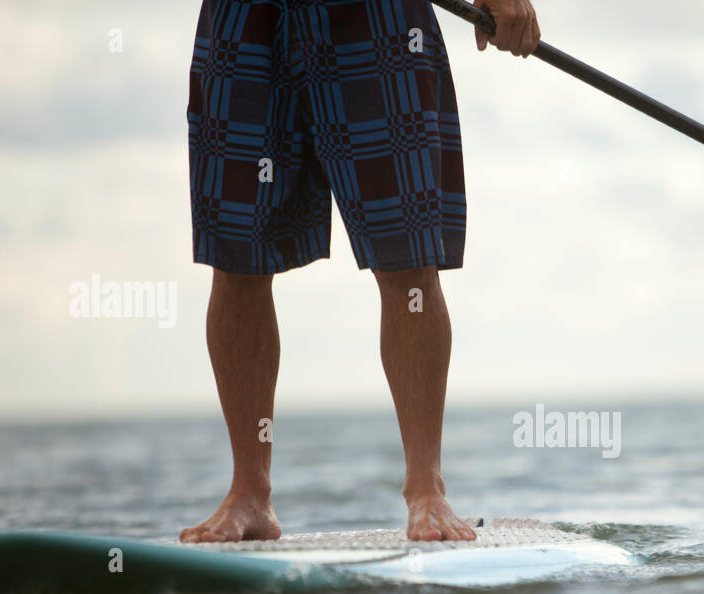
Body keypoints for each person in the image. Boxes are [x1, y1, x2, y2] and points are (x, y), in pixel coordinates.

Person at [179, 0, 540, 543]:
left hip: (375, 13)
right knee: (236, 259)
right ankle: (249, 494)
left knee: (408, 259)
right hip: (245, 15)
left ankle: (427, 489)